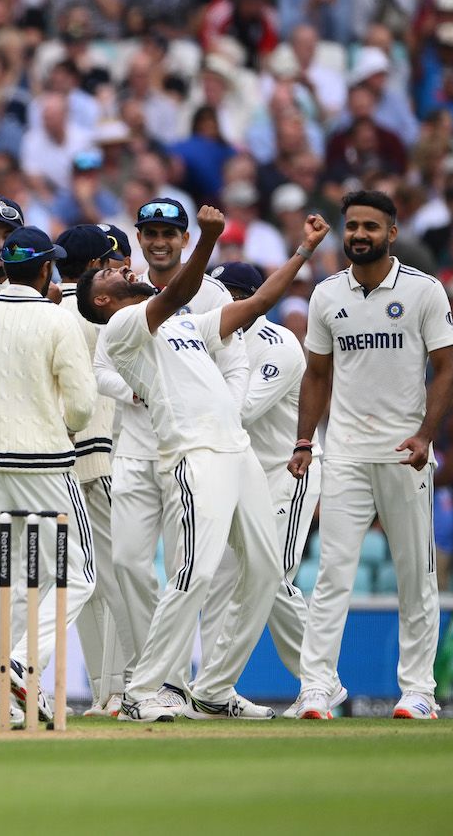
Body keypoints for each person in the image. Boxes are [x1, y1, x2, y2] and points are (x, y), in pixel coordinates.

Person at [78, 205, 330, 722]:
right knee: (193, 573)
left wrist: (304, 251)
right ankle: (143, 689)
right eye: (107, 275)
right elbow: (175, 292)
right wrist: (208, 239)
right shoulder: (122, 327)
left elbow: (258, 302)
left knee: (266, 571)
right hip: (195, 455)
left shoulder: (186, 323)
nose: (119, 269)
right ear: (103, 300)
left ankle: (214, 687)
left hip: (237, 450)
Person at [291, 190, 453, 721]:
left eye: (370, 226)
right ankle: (316, 687)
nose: (359, 234)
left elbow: (446, 369)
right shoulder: (326, 295)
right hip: (343, 453)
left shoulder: (423, 290)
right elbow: (317, 374)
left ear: (391, 233)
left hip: (405, 456)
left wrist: (426, 435)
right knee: (331, 575)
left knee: (415, 576)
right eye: (353, 226)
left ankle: (419, 692)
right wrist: (304, 441)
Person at [98, 198, 249, 715]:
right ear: (139, 238)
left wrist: (221, 418)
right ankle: (162, 679)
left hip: (192, 451)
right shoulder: (125, 289)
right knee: (128, 562)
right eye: (150, 233)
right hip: (137, 450)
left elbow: (236, 364)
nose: (159, 242)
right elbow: (100, 368)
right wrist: (134, 391)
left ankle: (177, 685)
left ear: (186, 239)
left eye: (168, 233)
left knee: (191, 569)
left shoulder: (210, 292)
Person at [0, 225, 97, 726]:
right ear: (45, 269)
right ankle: (20, 663)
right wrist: (53, 423)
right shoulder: (57, 319)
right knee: (78, 576)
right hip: (44, 464)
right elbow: (82, 406)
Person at [210, 261, 336, 717]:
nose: (213, 303)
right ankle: (214, 691)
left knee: (272, 578)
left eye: (222, 294)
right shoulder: (214, 339)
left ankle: (319, 682)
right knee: (221, 582)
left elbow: (241, 411)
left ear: (247, 298)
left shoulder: (278, 345)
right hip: (242, 477)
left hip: (288, 473)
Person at [55, 225, 129, 717]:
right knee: (116, 575)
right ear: (95, 267)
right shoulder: (99, 314)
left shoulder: (47, 311)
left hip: (58, 463)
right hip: (99, 457)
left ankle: (105, 687)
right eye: (113, 264)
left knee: (78, 579)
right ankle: (120, 688)